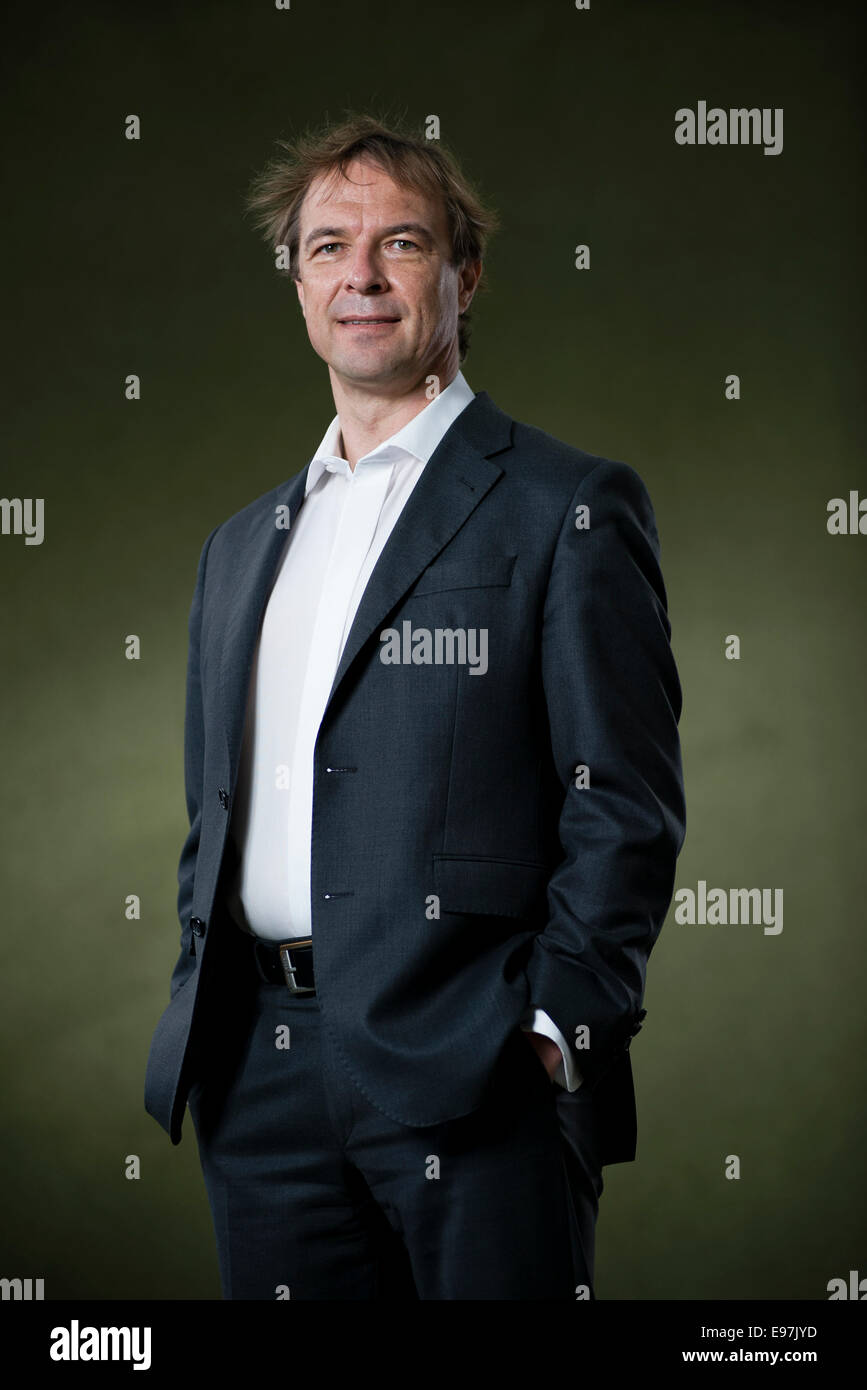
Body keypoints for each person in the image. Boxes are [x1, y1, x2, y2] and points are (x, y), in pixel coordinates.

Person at [144, 113, 687, 1301]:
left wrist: (552, 1033)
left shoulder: (567, 505)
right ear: (295, 281)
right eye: (329, 245)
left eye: (401, 242)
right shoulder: (238, 549)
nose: (363, 275)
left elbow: (628, 806)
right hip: (259, 1078)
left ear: (463, 271)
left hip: (474, 1073)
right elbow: (221, 807)